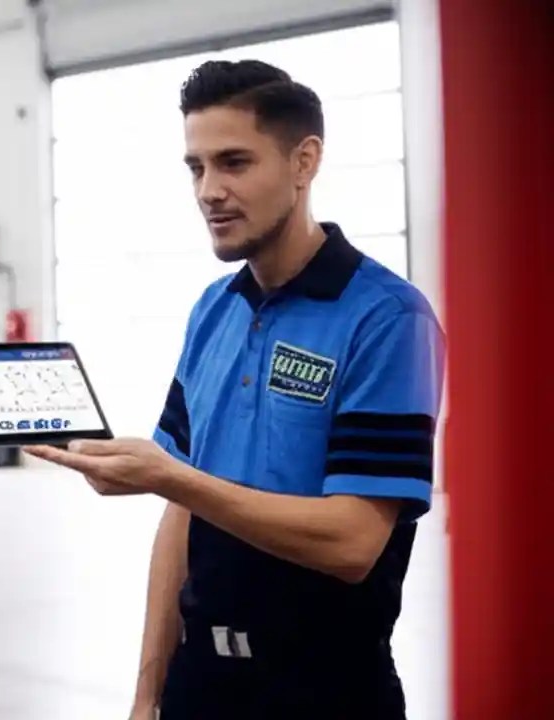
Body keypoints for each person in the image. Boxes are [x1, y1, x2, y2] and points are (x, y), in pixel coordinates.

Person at [27, 60, 445, 720]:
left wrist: (172, 478)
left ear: (304, 161)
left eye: (234, 163)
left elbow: (353, 542)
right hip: (202, 686)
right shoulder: (212, 310)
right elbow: (180, 519)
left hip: (324, 692)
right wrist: (147, 693)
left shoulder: (387, 319)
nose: (209, 190)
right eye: (196, 167)